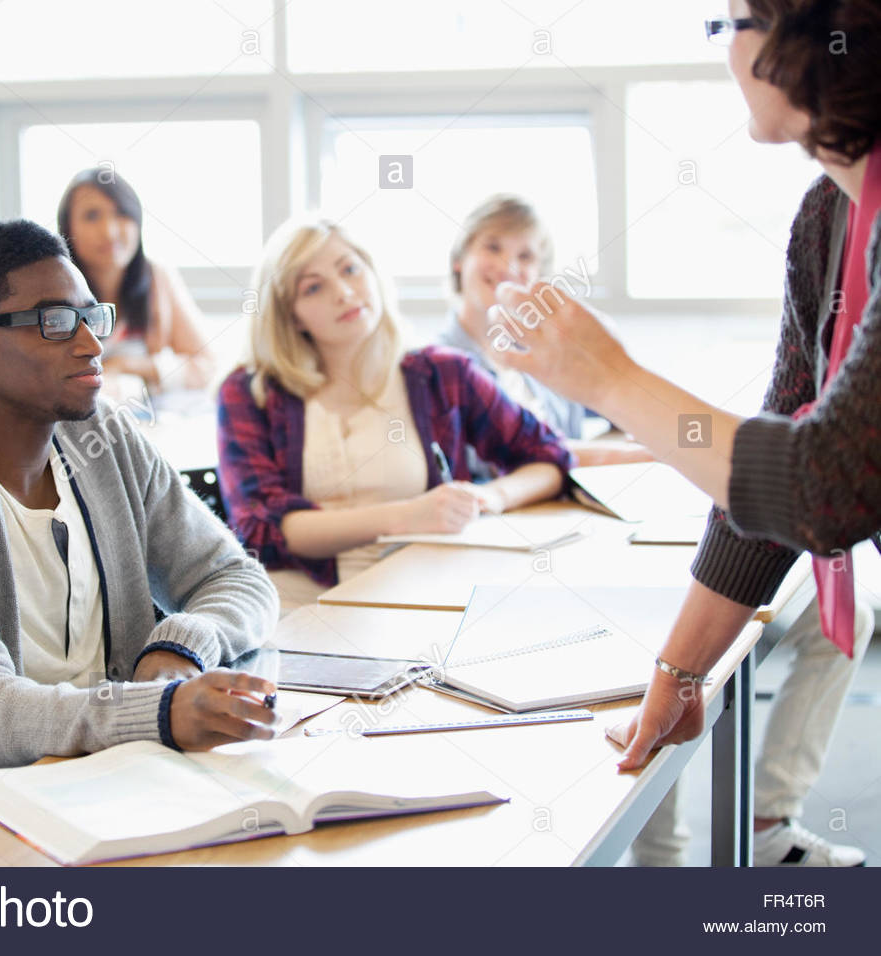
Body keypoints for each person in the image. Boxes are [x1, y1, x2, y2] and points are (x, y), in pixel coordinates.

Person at [487, 1, 879, 864]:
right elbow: (772, 468)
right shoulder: (830, 216)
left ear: (816, 34)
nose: (723, 52)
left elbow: (824, 487)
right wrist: (679, 671)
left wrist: (609, 377)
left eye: (730, 23)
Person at [0, 219, 279, 838]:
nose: (90, 343)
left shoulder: (103, 437)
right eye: (55, 322)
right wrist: (154, 712)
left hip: (129, 789)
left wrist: (180, 646)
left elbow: (235, 578)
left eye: (91, 316)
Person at [217, 215, 575, 613]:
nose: (344, 292)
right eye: (313, 287)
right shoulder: (249, 392)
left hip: (424, 594)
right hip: (296, 604)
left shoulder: (441, 373)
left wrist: (488, 496)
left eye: (350, 269)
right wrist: (407, 516)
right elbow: (260, 528)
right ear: (290, 313)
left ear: (373, 272)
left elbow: (550, 458)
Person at [443, 194, 651, 476]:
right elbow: (503, 455)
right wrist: (634, 455)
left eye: (525, 256)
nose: (508, 267)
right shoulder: (438, 364)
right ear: (459, 259)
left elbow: (620, 401)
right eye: (493, 248)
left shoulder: (546, 348)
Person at [57, 167, 215, 393]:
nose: (109, 232)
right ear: (67, 226)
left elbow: (207, 368)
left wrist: (128, 365)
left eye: (122, 213)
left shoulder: (157, 278)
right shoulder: (52, 289)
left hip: (150, 422)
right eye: (92, 216)